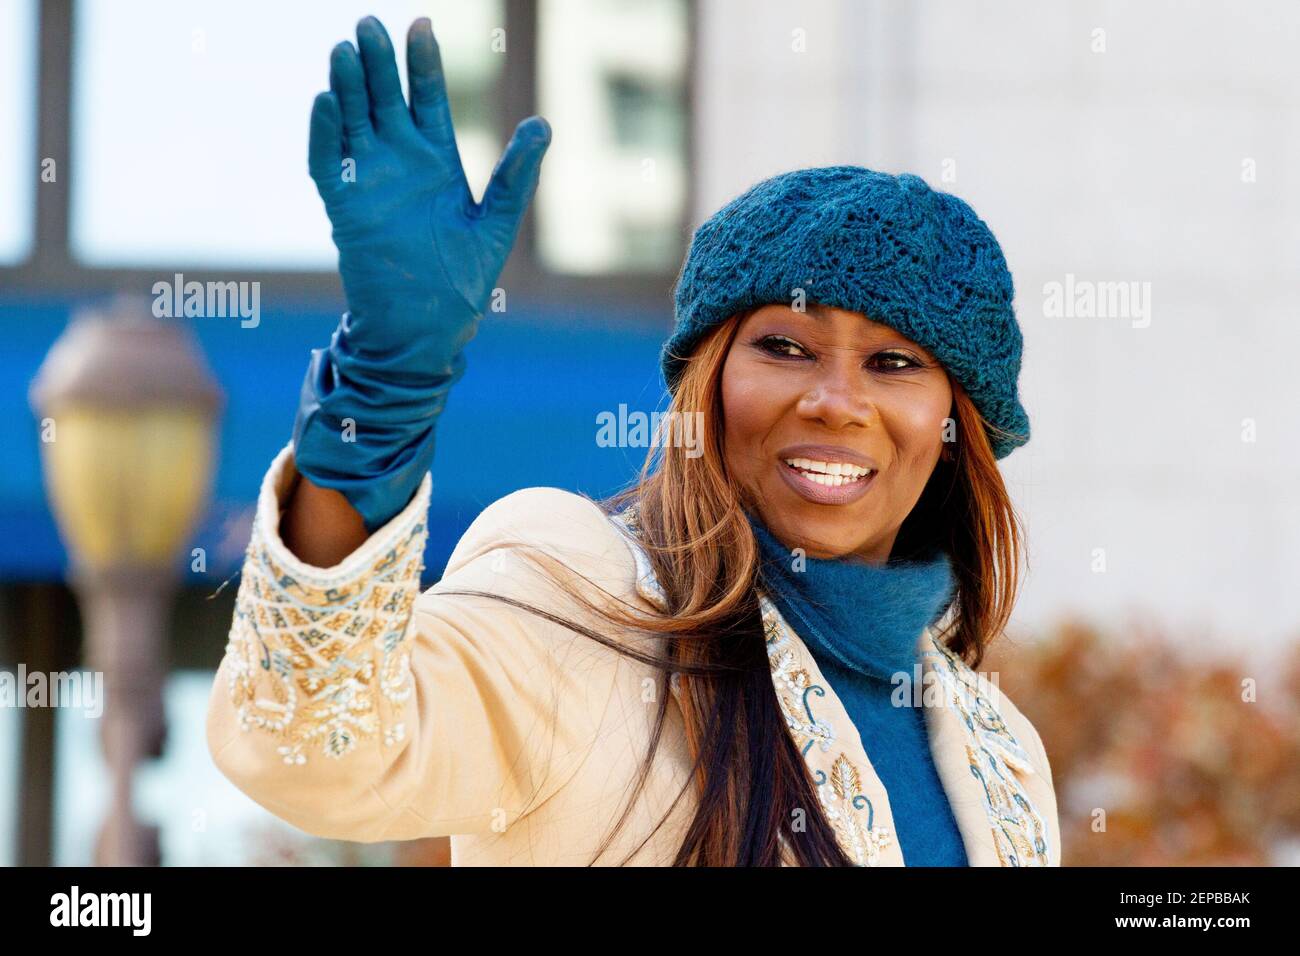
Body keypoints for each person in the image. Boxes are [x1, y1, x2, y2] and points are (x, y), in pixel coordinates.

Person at [205, 15, 1060, 867]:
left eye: (893, 362)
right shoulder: (582, 595)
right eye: (785, 347)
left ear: (954, 429)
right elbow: (312, 748)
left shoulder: (1001, 751)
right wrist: (385, 384)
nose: (836, 402)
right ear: (709, 383)